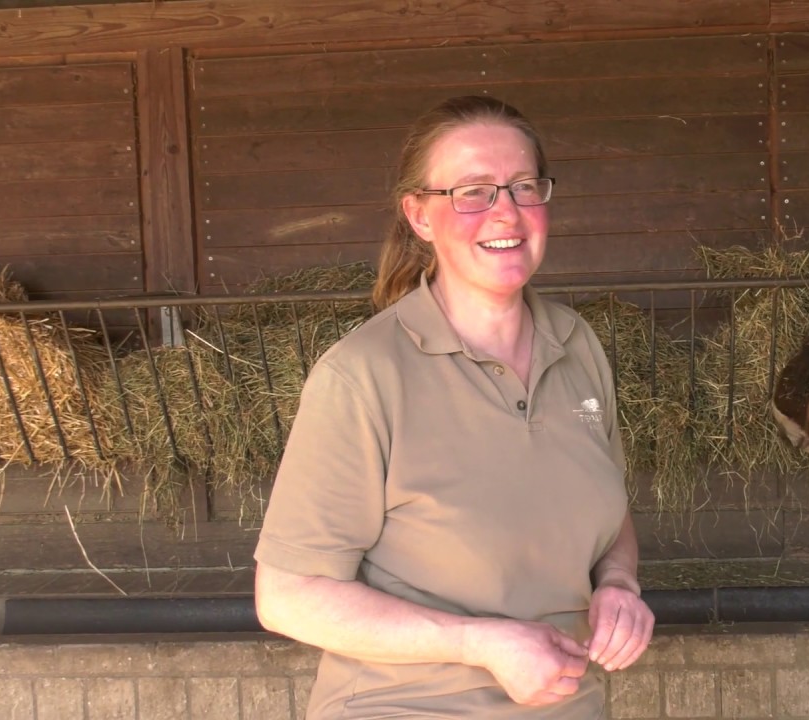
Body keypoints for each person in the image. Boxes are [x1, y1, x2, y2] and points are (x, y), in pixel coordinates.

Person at [253, 95, 654, 718]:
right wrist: (480, 643)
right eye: (473, 192)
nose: (506, 212)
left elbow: (608, 509)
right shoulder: (362, 376)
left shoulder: (577, 345)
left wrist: (620, 583)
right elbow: (286, 596)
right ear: (419, 215)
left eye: (523, 187)